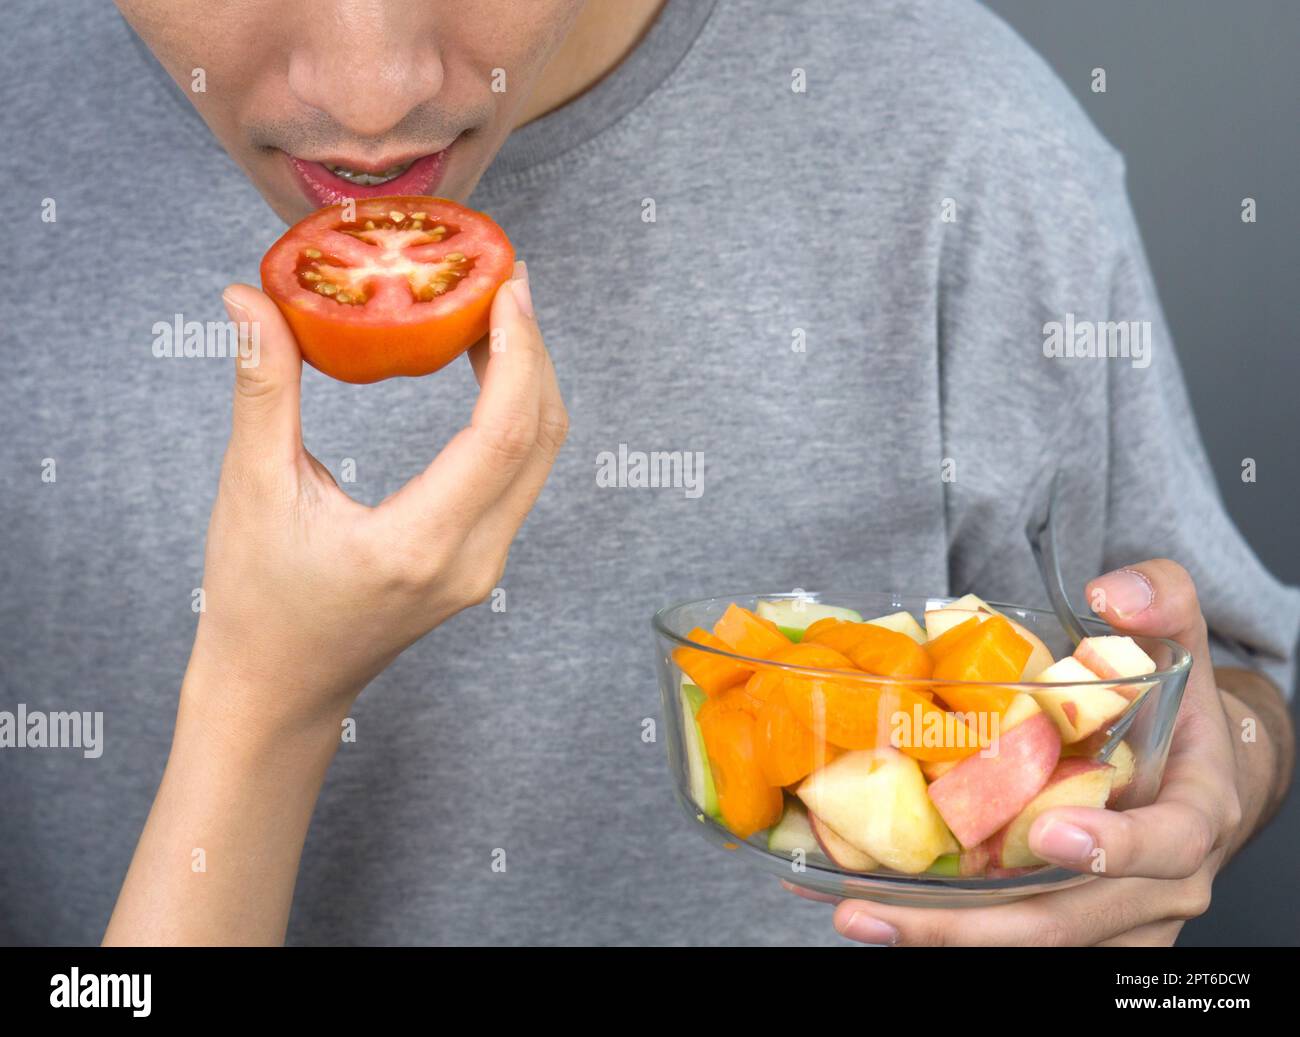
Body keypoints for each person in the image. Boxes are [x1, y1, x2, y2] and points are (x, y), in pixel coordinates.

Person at [0, 0, 1294, 947]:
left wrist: (1205, 777)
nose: (372, 88)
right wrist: (264, 698)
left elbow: (1235, 680)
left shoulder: (963, 135)